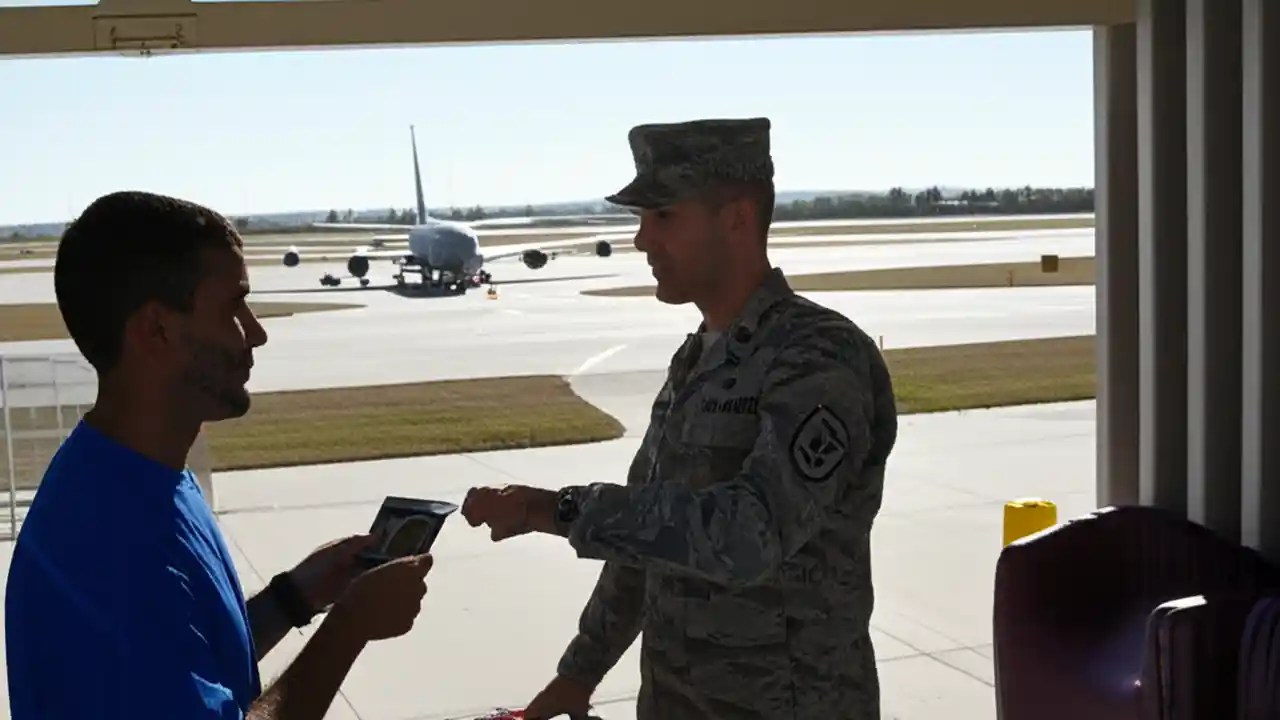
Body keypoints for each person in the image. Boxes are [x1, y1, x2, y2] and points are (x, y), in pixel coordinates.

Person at [461, 117, 898, 719]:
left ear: (738, 218)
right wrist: (578, 674)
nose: (642, 240)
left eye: (663, 216)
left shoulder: (818, 357)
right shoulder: (698, 358)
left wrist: (555, 509)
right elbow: (648, 540)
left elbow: (751, 535)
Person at [4, 191, 435, 720]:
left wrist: (293, 598)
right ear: (157, 331)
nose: (257, 332)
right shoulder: (108, 546)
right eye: (234, 306)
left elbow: (176, 668)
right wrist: (349, 627)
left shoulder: (141, 478)